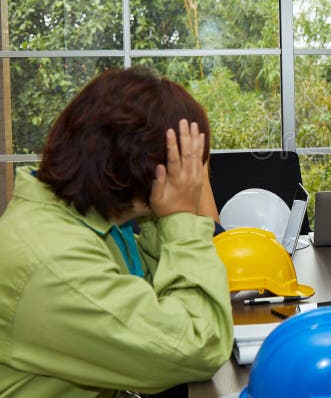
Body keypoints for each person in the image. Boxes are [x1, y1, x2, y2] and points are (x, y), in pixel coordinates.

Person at [0, 67, 234, 396]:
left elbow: (157, 298)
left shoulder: (86, 223)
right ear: (155, 168)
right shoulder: (54, 261)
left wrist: (163, 216)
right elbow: (199, 347)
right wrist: (180, 215)